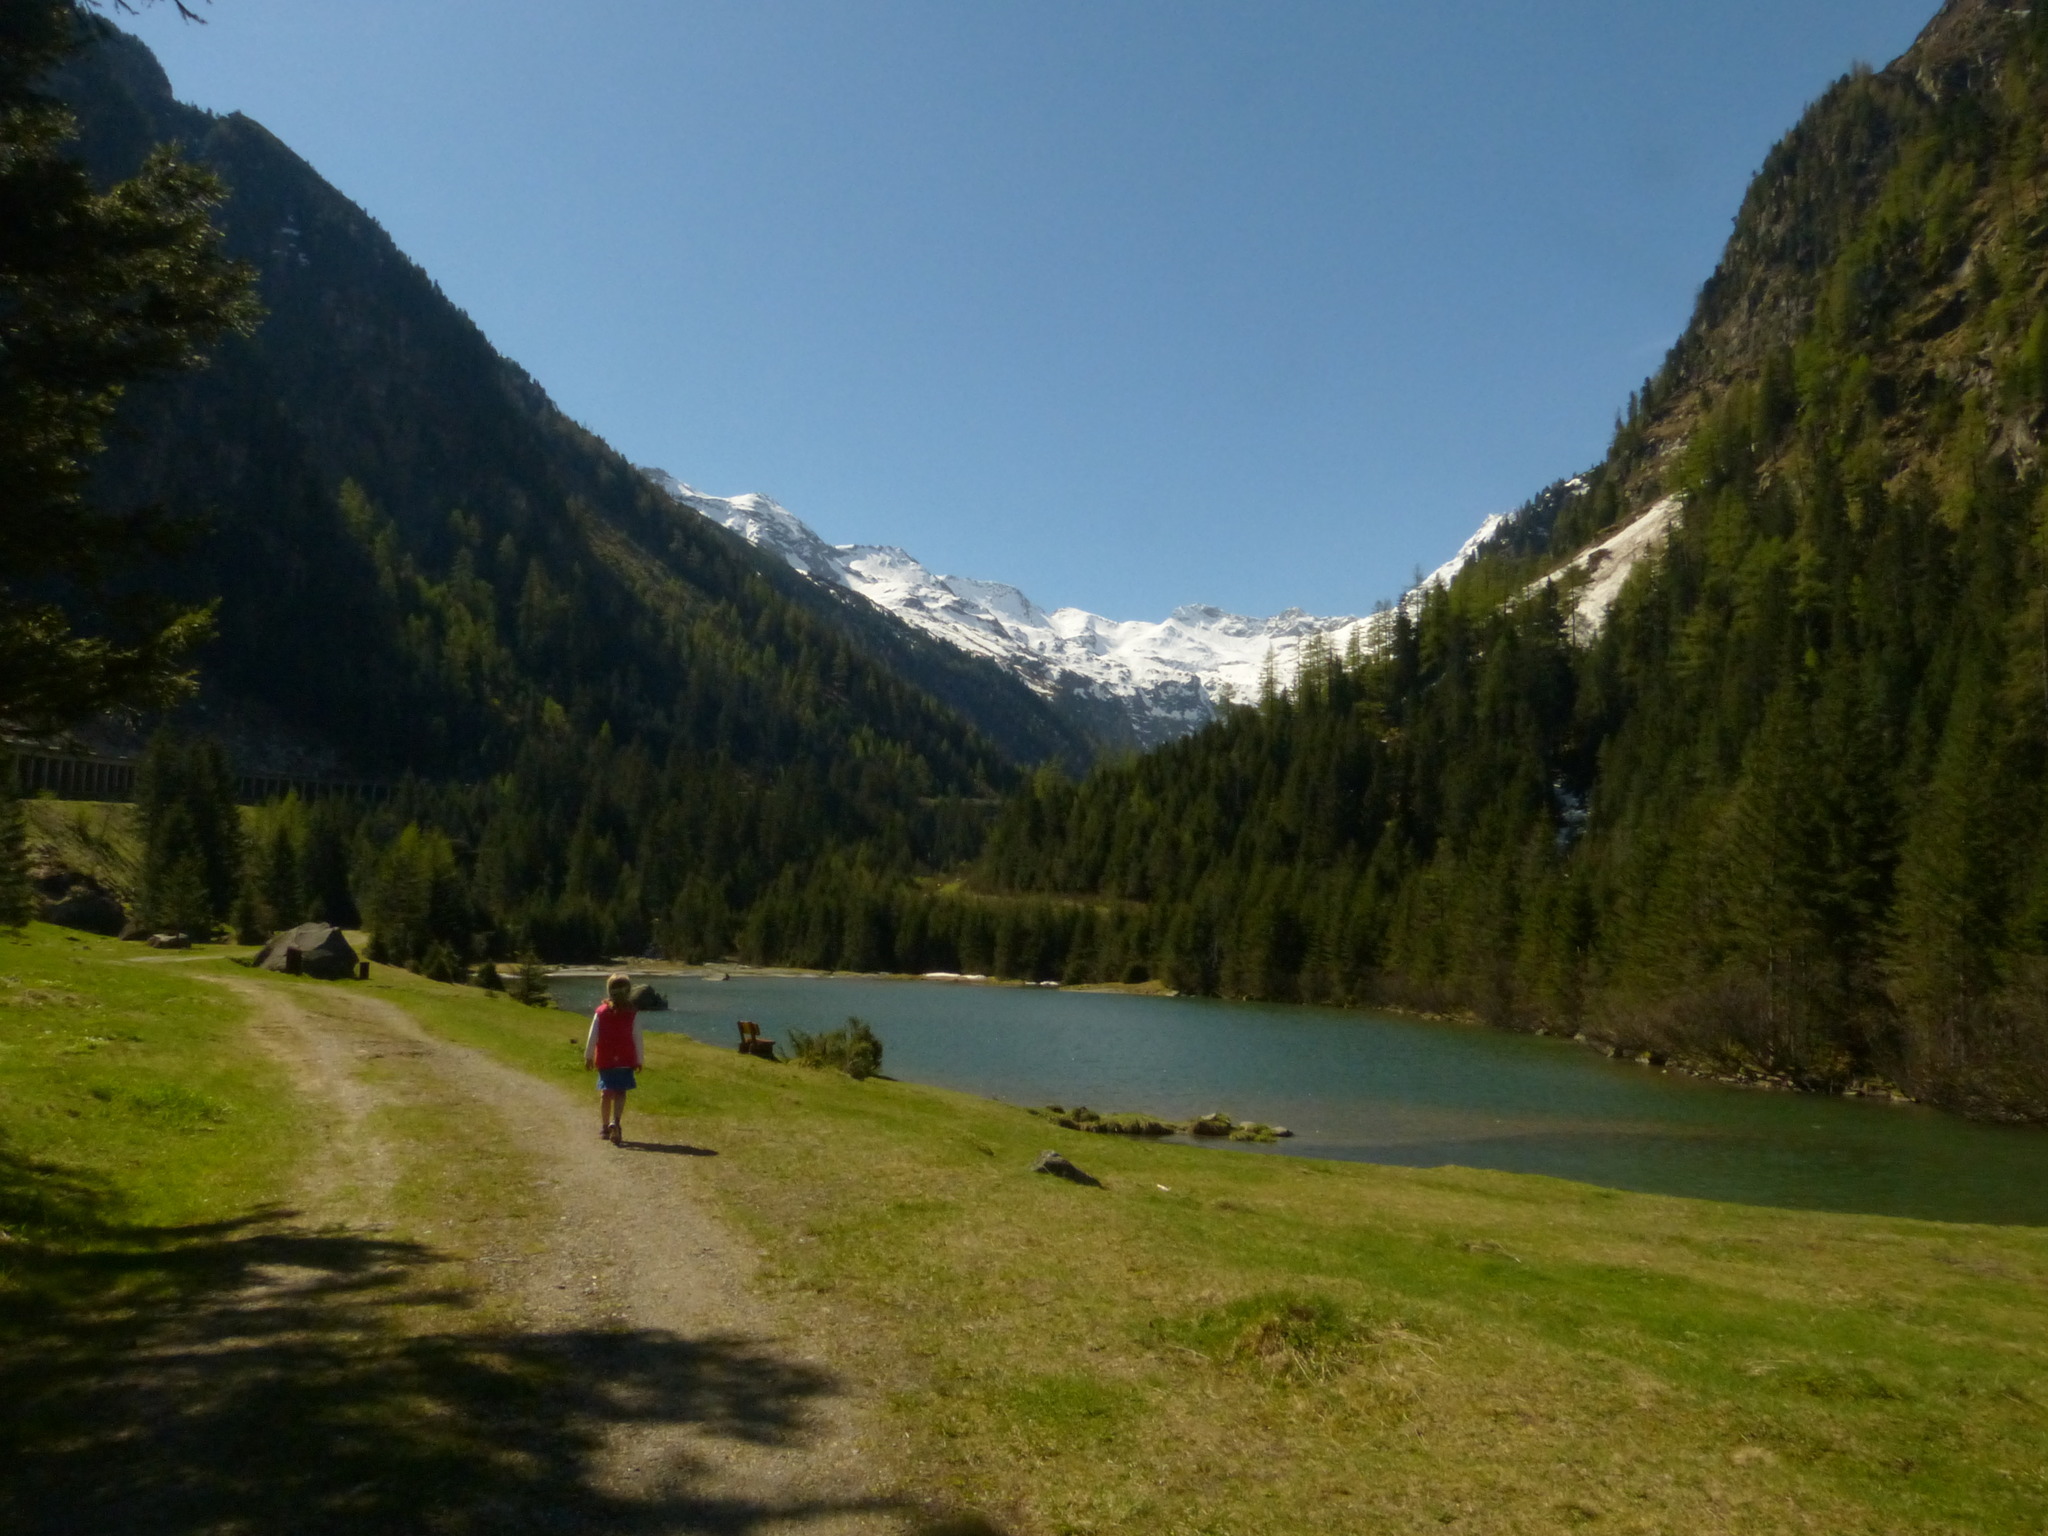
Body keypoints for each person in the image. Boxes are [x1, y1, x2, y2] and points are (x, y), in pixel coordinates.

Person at [584, 973, 644, 1145]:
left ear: (609, 990)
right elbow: (637, 1037)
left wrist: (588, 1056)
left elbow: (593, 1035)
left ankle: (604, 1127)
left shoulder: (601, 1012)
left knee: (606, 1093)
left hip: (606, 1059)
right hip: (625, 1060)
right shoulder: (632, 1013)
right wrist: (639, 1059)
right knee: (620, 1092)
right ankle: (616, 1121)